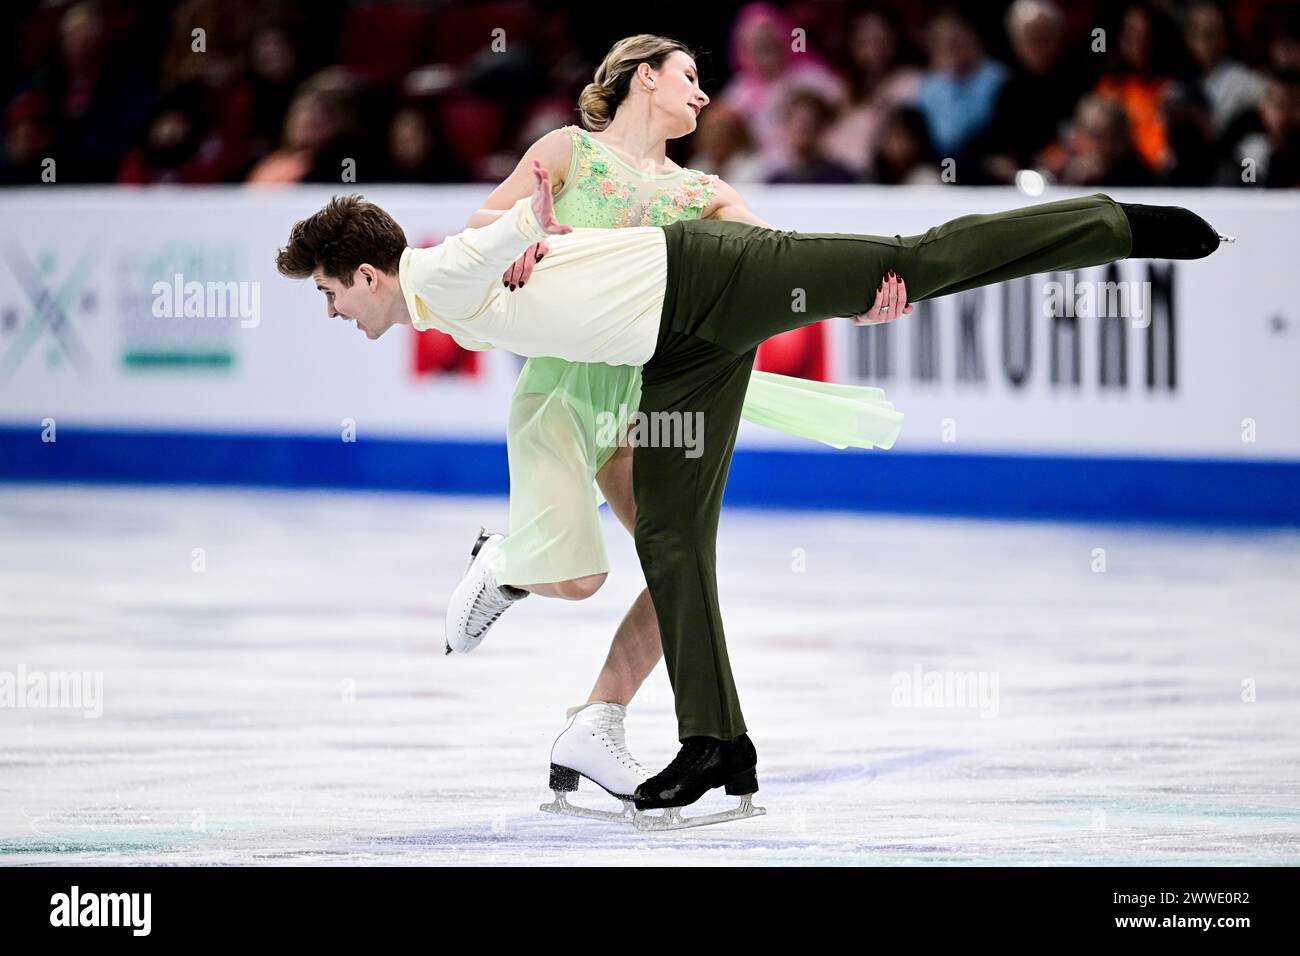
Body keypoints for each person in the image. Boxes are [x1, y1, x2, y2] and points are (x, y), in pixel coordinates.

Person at [276, 155, 1231, 825]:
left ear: (365, 272)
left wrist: (532, 217)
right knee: (673, 541)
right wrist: (535, 232)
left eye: (329, 293)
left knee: (921, 258)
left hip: (712, 281)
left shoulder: (434, 273)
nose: (332, 312)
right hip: (676, 346)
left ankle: (1110, 222)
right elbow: (516, 254)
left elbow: (495, 239)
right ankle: (716, 744)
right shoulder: (439, 298)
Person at [444, 36, 905, 822]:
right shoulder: (567, 151)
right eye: (690, 77)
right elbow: (482, 227)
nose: (702, 96)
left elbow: (782, 260)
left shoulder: (703, 192)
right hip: (563, 388)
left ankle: (598, 719)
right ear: (642, 74)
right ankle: (510, 563)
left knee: (679, 566)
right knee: (584, 579)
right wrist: (519, 242)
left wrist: (856, 295)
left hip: (645, 402)